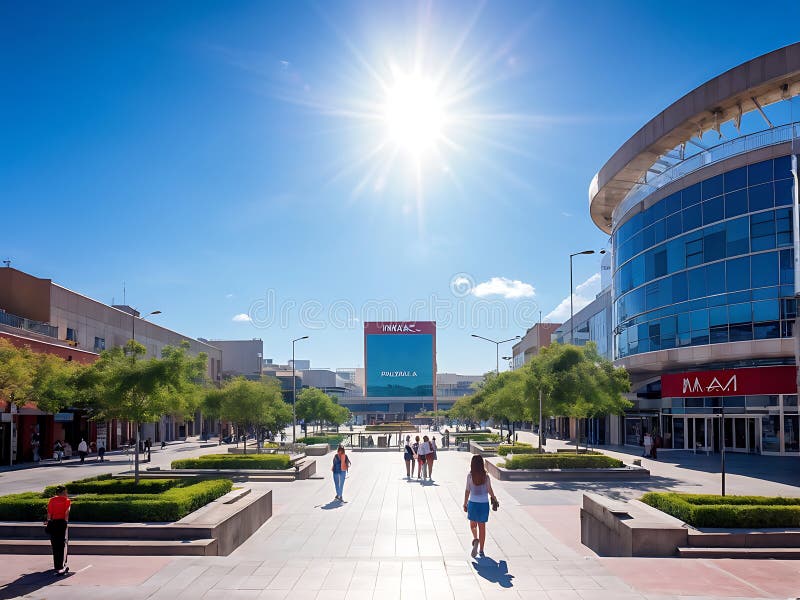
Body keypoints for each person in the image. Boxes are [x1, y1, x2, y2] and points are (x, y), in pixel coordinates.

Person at [463, 455, 497, 558]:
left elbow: (467, 490)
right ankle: (481, 550)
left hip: (473, 503)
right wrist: (494, 498)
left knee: (473, 525)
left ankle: (475, 539)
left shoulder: (470, 476)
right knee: (482, 527)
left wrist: (465, 503)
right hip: (484, 504)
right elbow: (489, 489)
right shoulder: (486, 476)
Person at [45, 485, 71, 575]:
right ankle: (60, 566)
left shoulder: (52, 500)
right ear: (62, 493)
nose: (67, 494)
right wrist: (66, 523)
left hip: (53, 523)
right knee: (61, 544)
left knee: (54, 544)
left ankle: (57, 565)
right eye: (66, 492)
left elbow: (49, 512)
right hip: (61, 523)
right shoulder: (67, 501)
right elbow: (66, 512)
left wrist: (48, 522)